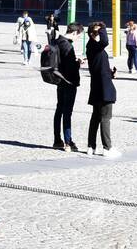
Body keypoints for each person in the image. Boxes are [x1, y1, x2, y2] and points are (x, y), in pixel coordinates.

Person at [84, 22, 121, 158]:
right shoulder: (95, 45)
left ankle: (91, 146)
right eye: (98, 32)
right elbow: (105, 41)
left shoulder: (92, 47)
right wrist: (103, 28)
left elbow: (98, 66)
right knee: (105, 118)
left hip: (98, 85)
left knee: (95, 117)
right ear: (94, 34)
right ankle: (107, 148)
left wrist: (110, 73)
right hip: (103, 88)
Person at [51, 24, 82, 151]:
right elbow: (71, 68)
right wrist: (78, 63)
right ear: (74, 33)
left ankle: (57, 140)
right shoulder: (67, 45)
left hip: (59, 80)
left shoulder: (57, 41)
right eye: (78, 36)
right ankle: (68, 141)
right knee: (67, 112)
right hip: (68, 82)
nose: (78, 38)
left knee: (59, 110)